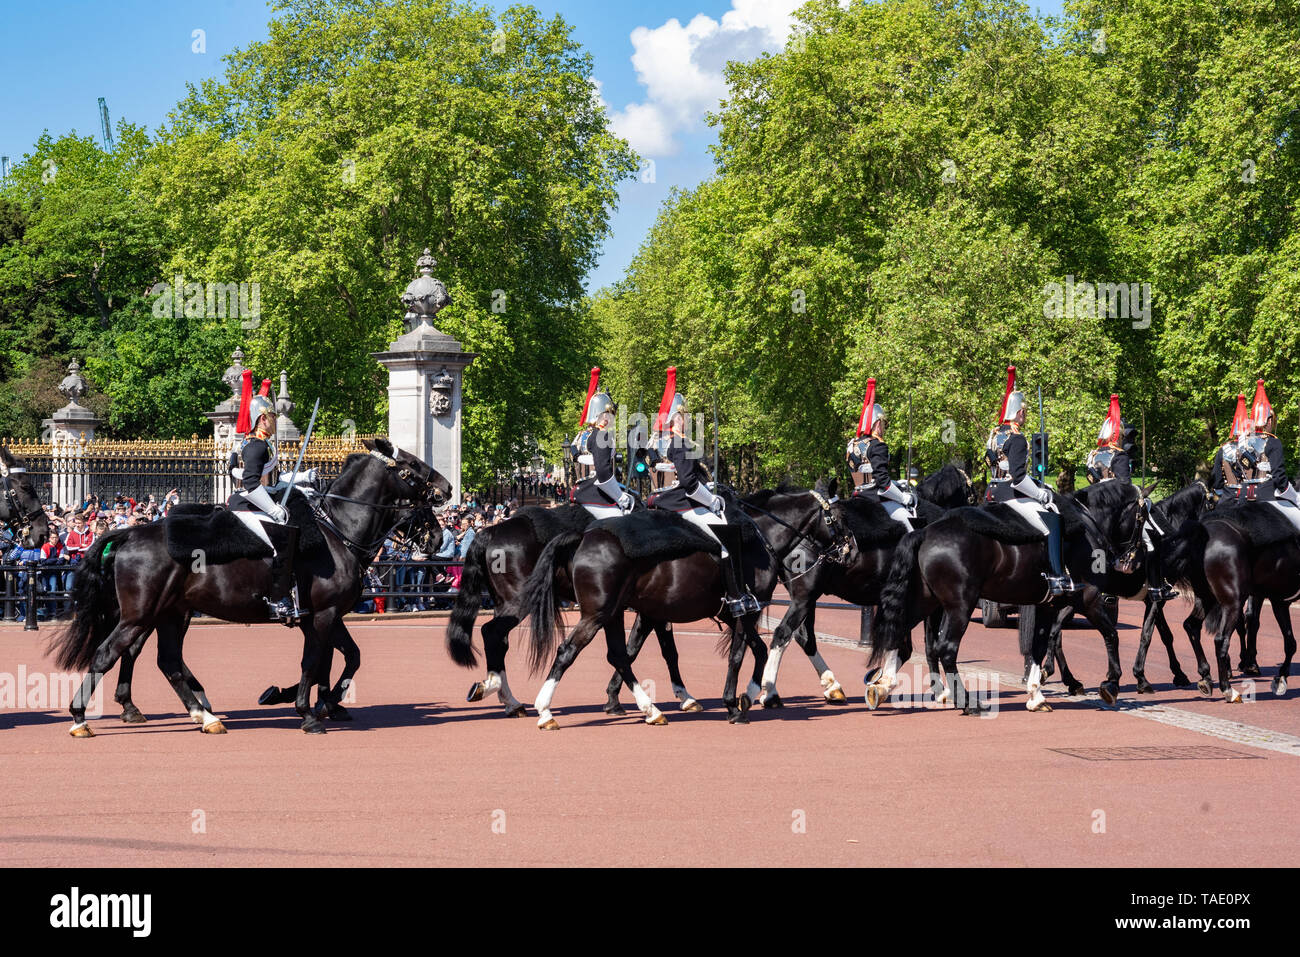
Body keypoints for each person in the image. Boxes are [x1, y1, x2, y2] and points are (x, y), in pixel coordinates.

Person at [647, 366, 761, 616]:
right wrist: (712, 501)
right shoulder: (682, 443)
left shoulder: (656, 443)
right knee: (727, 537)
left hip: (659, 500)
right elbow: (688, 484)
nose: (688, 420)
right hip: (681, 502)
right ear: (677, 419)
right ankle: (735, 597)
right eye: (685, 417)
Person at [985, 367, 1078, 595]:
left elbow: (995, 465)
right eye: (1024, 412)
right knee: (1053, 518)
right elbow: (1017, 479)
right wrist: (1040, 494)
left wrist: (1035, 482)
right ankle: (1057, 577)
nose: (1025, 416)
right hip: (1011, 495)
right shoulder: (1017, 438)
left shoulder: (995, 434)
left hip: (992, 491)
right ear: (1017, 412)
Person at [226, 370, 304, 624]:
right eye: (270, 416)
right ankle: (277, 600)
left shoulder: (262, 444)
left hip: (256, 501)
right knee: (280, 541)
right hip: (246, 506)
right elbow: (249, 483)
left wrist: (304, 478)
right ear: (261, 419)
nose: (274, 419)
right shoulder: (256, 446)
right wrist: (272, 510)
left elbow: (273, 481)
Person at [1087, 394, 1176, 601]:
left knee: (1097, 543)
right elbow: (1124, 486)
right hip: (1116, 509)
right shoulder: (1119, 455)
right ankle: (1155, 586)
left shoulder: (1094, 454)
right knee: (1152, 539)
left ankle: (1098, 577)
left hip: (1094, 507)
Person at [846, 377, 915, 529]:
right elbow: (882, 484)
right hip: (876, 501)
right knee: (912, 526)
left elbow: (866, 478)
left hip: (857, 498)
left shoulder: (852, 444)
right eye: (884, 424)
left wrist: (896, 483)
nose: (884, 428)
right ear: (877, 423)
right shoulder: (878, 446)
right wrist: (903, 497)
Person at [1236, 380, 1300, 533]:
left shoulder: (1242, 444)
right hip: (1266, 497)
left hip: (1242, 499)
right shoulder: (1273, 442)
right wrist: (1295, 497)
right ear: (1268, 421)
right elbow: (1280, 479)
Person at [571, 369, 634, 521]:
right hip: (597, 494)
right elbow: (603, 472)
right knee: (623, 522)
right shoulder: (602, 436)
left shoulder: (581, 436)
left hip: (579, 490)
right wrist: (620, 498)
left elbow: (575, 453)